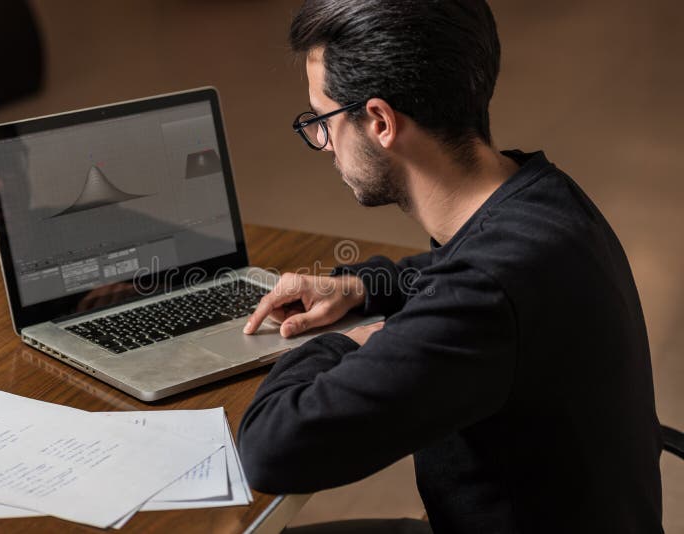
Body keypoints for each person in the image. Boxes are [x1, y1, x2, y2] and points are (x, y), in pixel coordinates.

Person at [236, 1, 664, 533]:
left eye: (322, 121)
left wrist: (350, 342)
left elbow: (270, 449)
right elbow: (465, 271)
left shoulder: (484, 292)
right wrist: (362, 286)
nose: (323, 145)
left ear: (380, 122)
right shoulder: (541, 197)